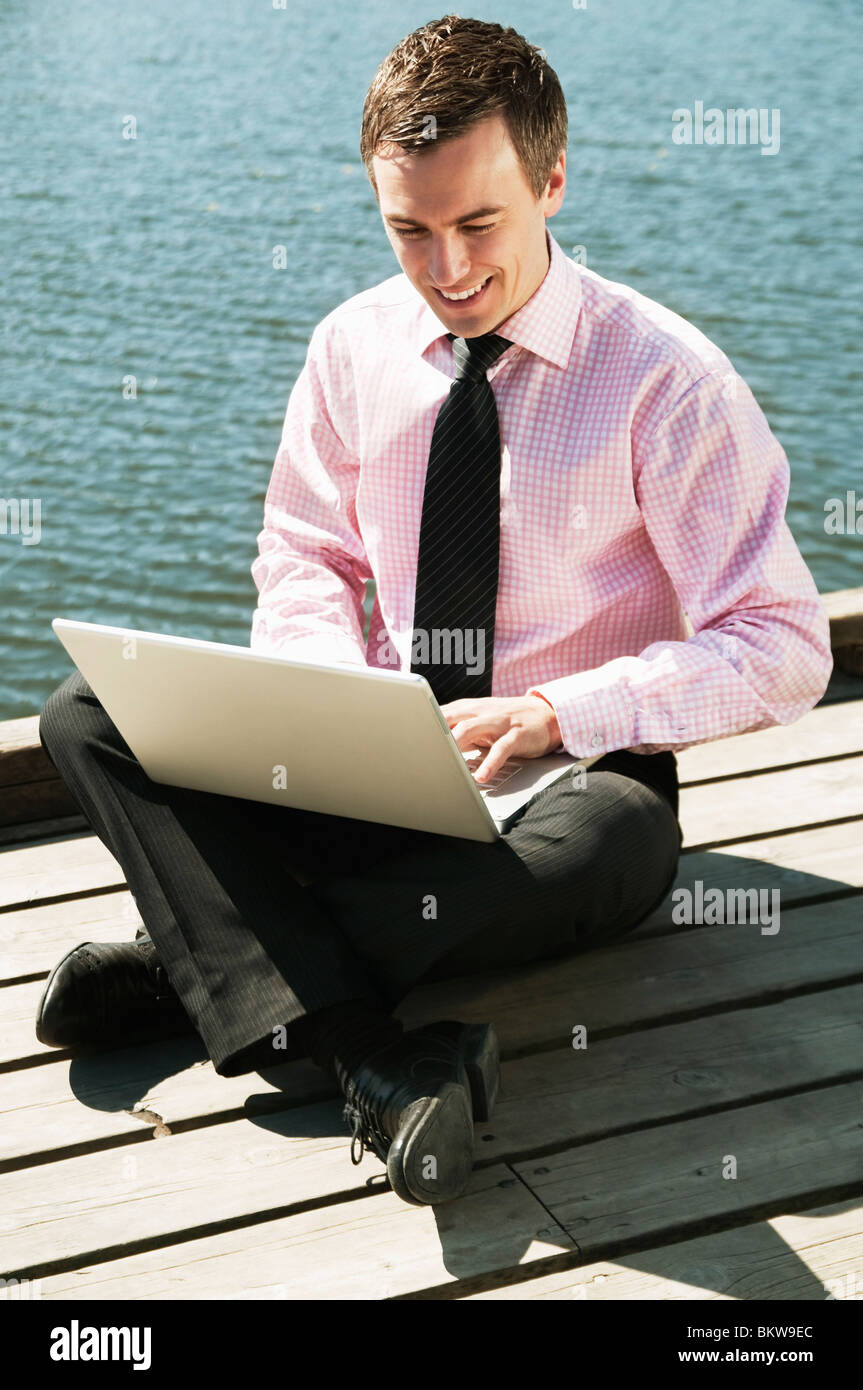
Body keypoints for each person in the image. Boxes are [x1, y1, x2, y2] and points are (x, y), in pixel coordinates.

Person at [35, 15, 832, 1208]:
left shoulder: (667, 380)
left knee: (610, 847)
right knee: (83, 714)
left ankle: (194, 964)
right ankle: (369, 1053)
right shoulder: (350, 347)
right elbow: (303, 552)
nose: (446, 268)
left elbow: (783, 646)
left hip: (570, 784)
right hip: (365, 762)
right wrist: (317, 702)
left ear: (551, 181)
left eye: (478, 224)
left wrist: (564, 707)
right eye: (408, 229)